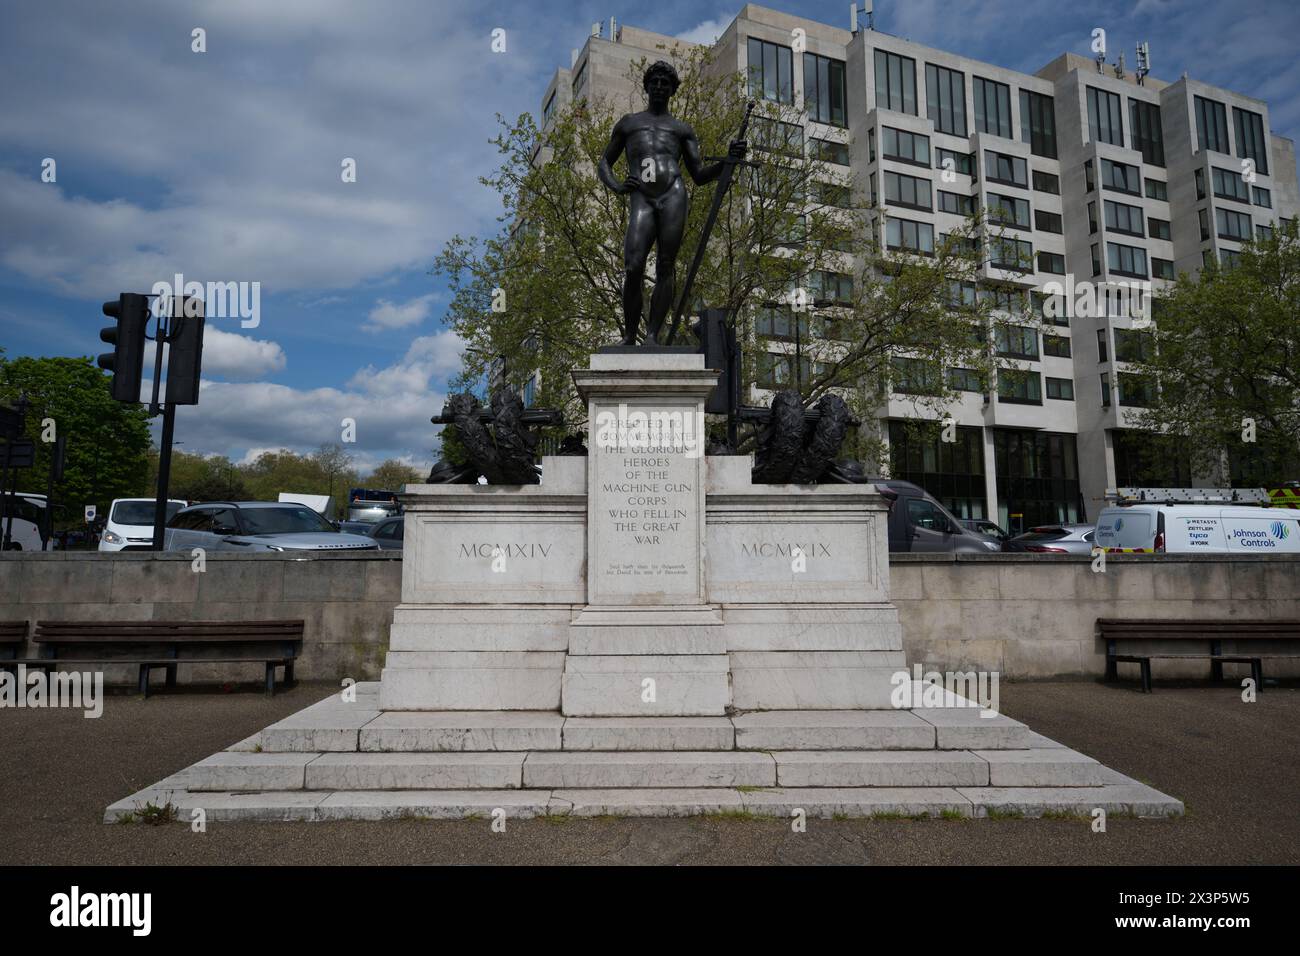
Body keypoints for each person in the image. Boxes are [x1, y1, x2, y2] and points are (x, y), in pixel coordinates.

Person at [598, 60, 746, 346]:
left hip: (673, 195)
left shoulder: (681, 129)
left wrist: (729, 160)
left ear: (673, 90)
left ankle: (652, 335)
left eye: (665, 83)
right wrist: (616, 185)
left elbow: (700, 175)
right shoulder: (629, 123)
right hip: (641, 196)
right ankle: (630, 336)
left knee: (666, 265)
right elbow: (604, 161)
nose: (659, 86)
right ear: (647, 85)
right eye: (654, 81)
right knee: (633, 265)